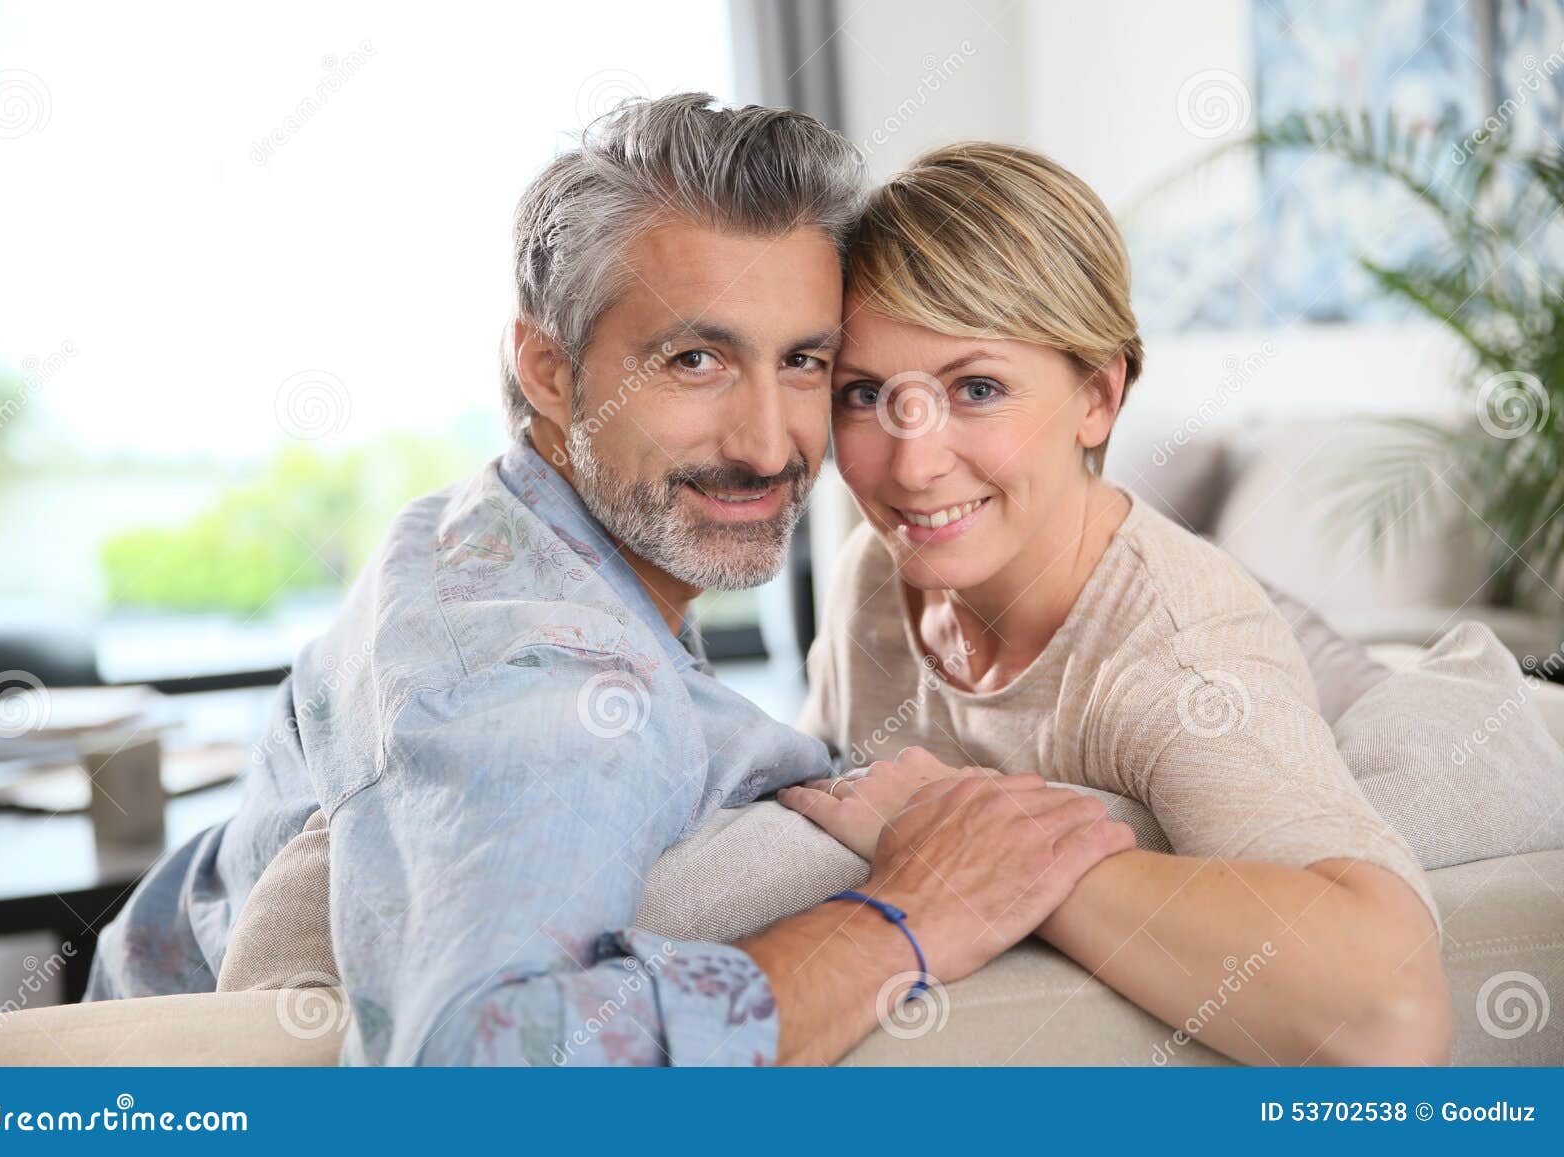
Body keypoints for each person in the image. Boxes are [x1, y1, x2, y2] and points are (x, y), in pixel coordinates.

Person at [84, 96, 1137, 1066]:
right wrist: (900, 919)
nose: (768, 444)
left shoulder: (495, 528)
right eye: (694, 360)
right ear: (548, 369)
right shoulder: (547, 678)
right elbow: (473, 1077)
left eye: (803, 362)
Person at [784, 142, 1453, 1065]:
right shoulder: (872, 572)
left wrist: (976, 850)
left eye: (976, 388)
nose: (913, 463)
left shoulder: (1177, 657)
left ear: (1098, 396)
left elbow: (1392, 1011)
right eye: (864, 394)